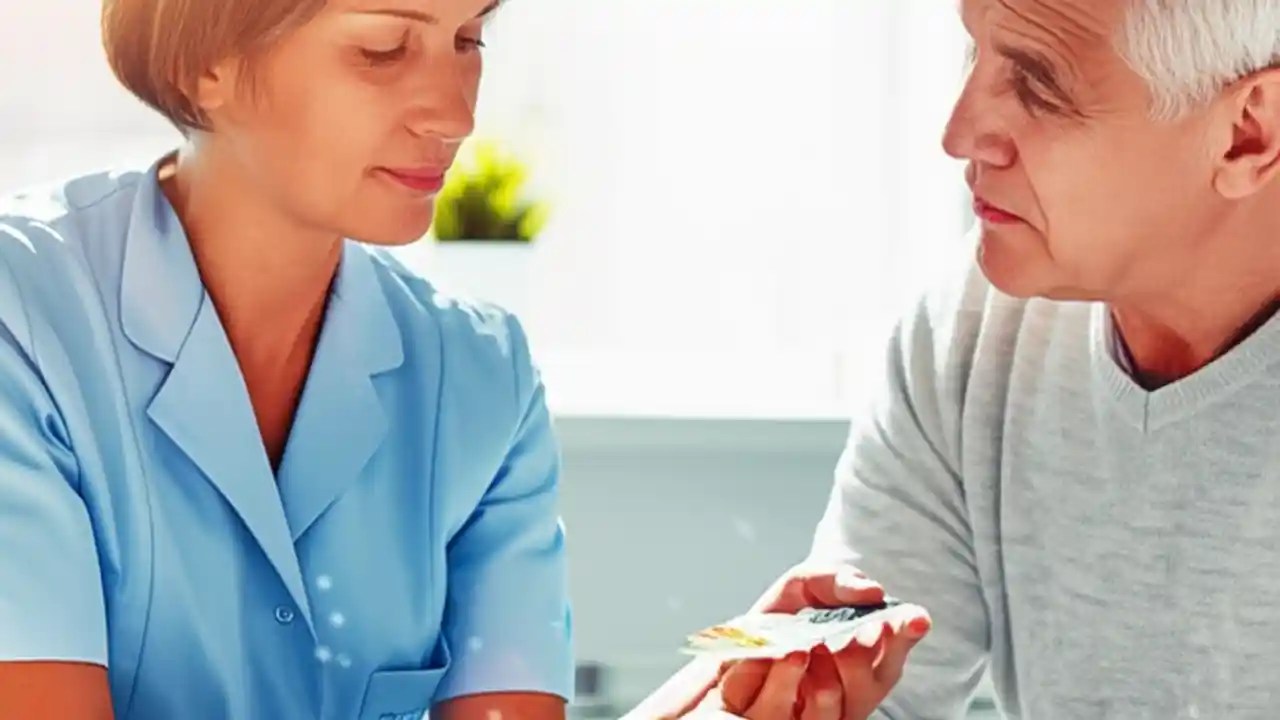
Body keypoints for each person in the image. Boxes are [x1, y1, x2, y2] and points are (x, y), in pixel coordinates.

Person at [634, 0, 1280, 717]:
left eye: (1037, 84)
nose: (958, 133)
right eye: (974, 52)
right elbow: (873, 698)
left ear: (1248, 134)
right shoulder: (972, 339)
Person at [0, 0, 573, 718]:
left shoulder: (484, 375)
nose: (455, 117)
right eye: (383, 49)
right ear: (203, 63)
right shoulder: (22, 315)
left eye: (467, 39)